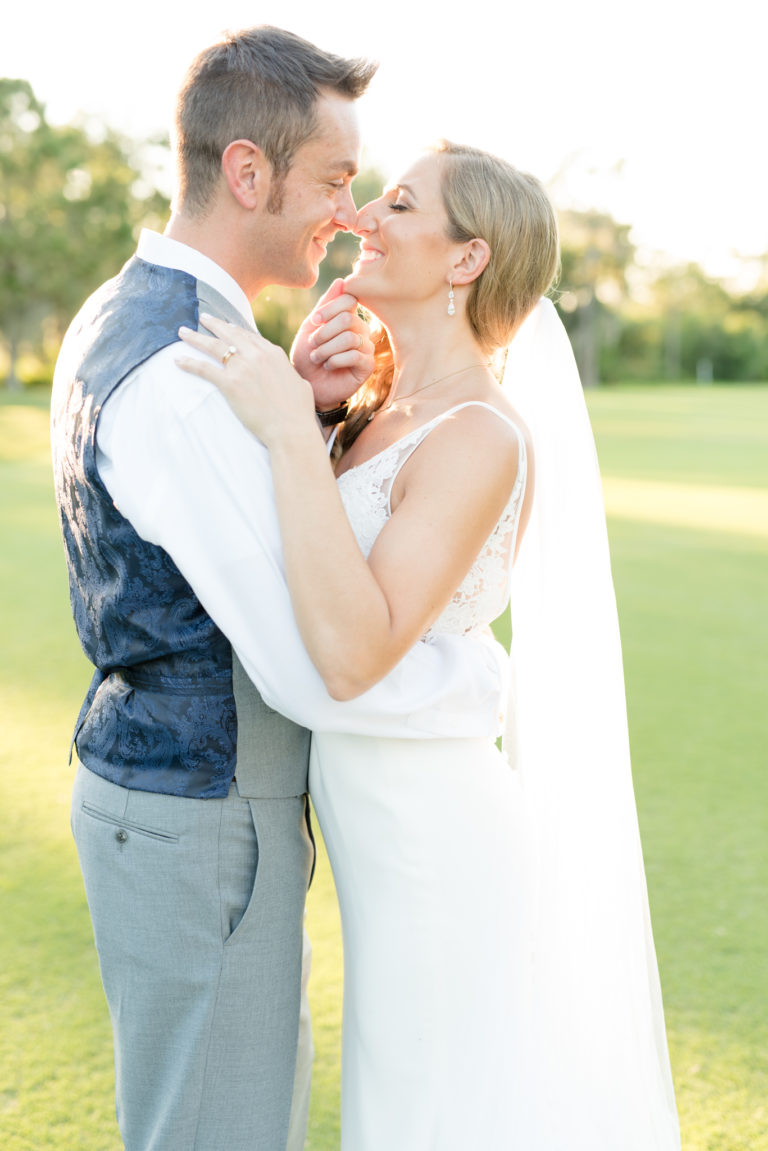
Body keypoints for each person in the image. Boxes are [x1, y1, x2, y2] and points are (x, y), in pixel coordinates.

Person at [50, 30, 510, 1151]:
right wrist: (472, 677)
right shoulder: (187, 373)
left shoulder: (130, 313)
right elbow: (317, 667)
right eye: (336, 180)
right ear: (248, 172)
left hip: (171, 794)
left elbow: (212, 553)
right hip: (208, 812)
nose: (350, 214)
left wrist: (299, 415)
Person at [178, 140, 682, 1148]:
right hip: (380, 841)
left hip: (434, 847)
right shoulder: (373, 408)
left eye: (400, 204)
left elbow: (355, 651)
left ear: (467, 258)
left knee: (436, 1109)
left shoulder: (480, 436)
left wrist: (289, 431)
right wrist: (310, 409)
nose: (361, 215)